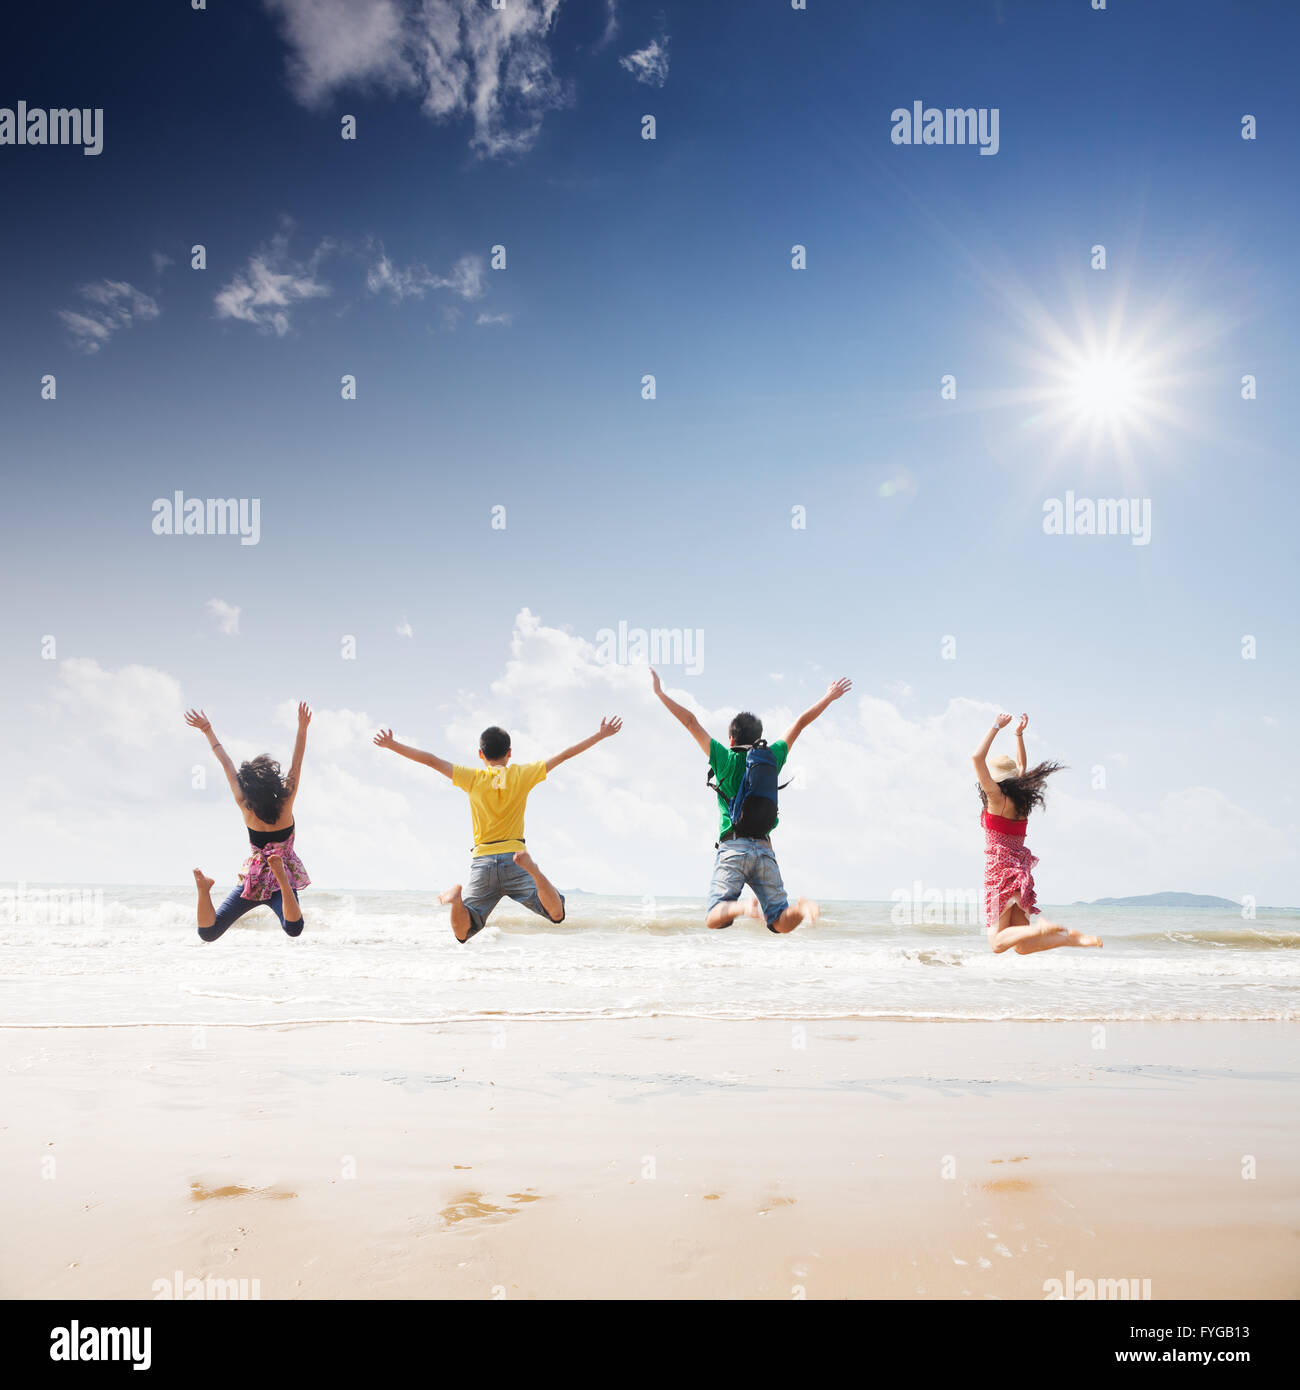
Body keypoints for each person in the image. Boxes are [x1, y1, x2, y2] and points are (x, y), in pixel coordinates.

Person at [373, 716, 623, 942]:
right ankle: (534, 871)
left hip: (482, 862)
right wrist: (600, 735)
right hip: (517, 858)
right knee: (556, 914)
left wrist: (392, 745)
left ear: (481, 755)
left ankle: (456, 899)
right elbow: (564, 755)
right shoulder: (523, 775)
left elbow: (430, 760)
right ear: (510, 753)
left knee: (464, 932)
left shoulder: (472, 778)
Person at [651, 669, 851, 932]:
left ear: (731, 739)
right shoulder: (772, 756)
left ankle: (744, 907)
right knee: (780, 922)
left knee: (714, 917)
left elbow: (690, 722)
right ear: (758, 739)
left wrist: (660, 693)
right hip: (764, 849)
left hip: (733, 847)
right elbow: (800, 722)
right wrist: (829, 696)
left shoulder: (724, 759)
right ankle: (801, 908)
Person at [973, 712, 1101, 953]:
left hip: (999, 870)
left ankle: (1040, 929)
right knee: (1021, 947)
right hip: (1019, 869)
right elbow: (1021, 766)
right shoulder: (1020, 800)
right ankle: (1070, 938)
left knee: (996, 944)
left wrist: (995, 727)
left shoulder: (995, 798)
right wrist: (1019, 734)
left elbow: (976, 758)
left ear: (995, 779)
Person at [185, 703, 312, 943]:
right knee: (294, 928)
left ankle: (203, 890)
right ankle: (283, 879)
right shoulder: (286, 802)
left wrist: (207, 729)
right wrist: (302, 728)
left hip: (253, 878)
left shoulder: (245, 804)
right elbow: (296, 764)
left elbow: (227, 764)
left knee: (208, 933)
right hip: (279, 878)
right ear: (273, 782)